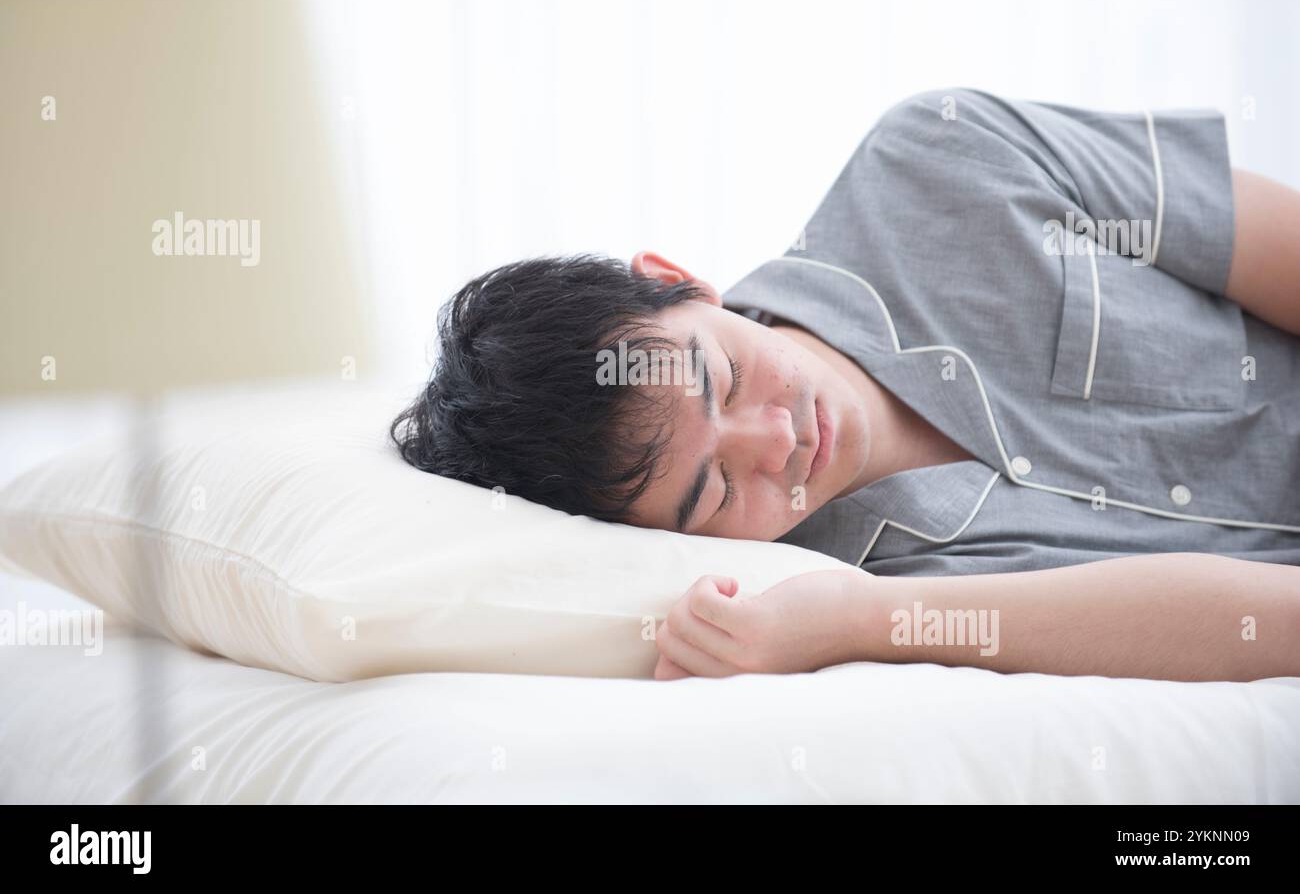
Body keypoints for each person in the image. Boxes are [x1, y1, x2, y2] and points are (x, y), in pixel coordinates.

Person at [392, 88, 1300, 684]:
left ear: (678, 277)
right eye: (712, 492)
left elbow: (1265, 245)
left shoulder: (941, 161)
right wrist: (867, 621)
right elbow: (1265, 629)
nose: (774, 442)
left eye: (723, 379)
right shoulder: (851, 587)